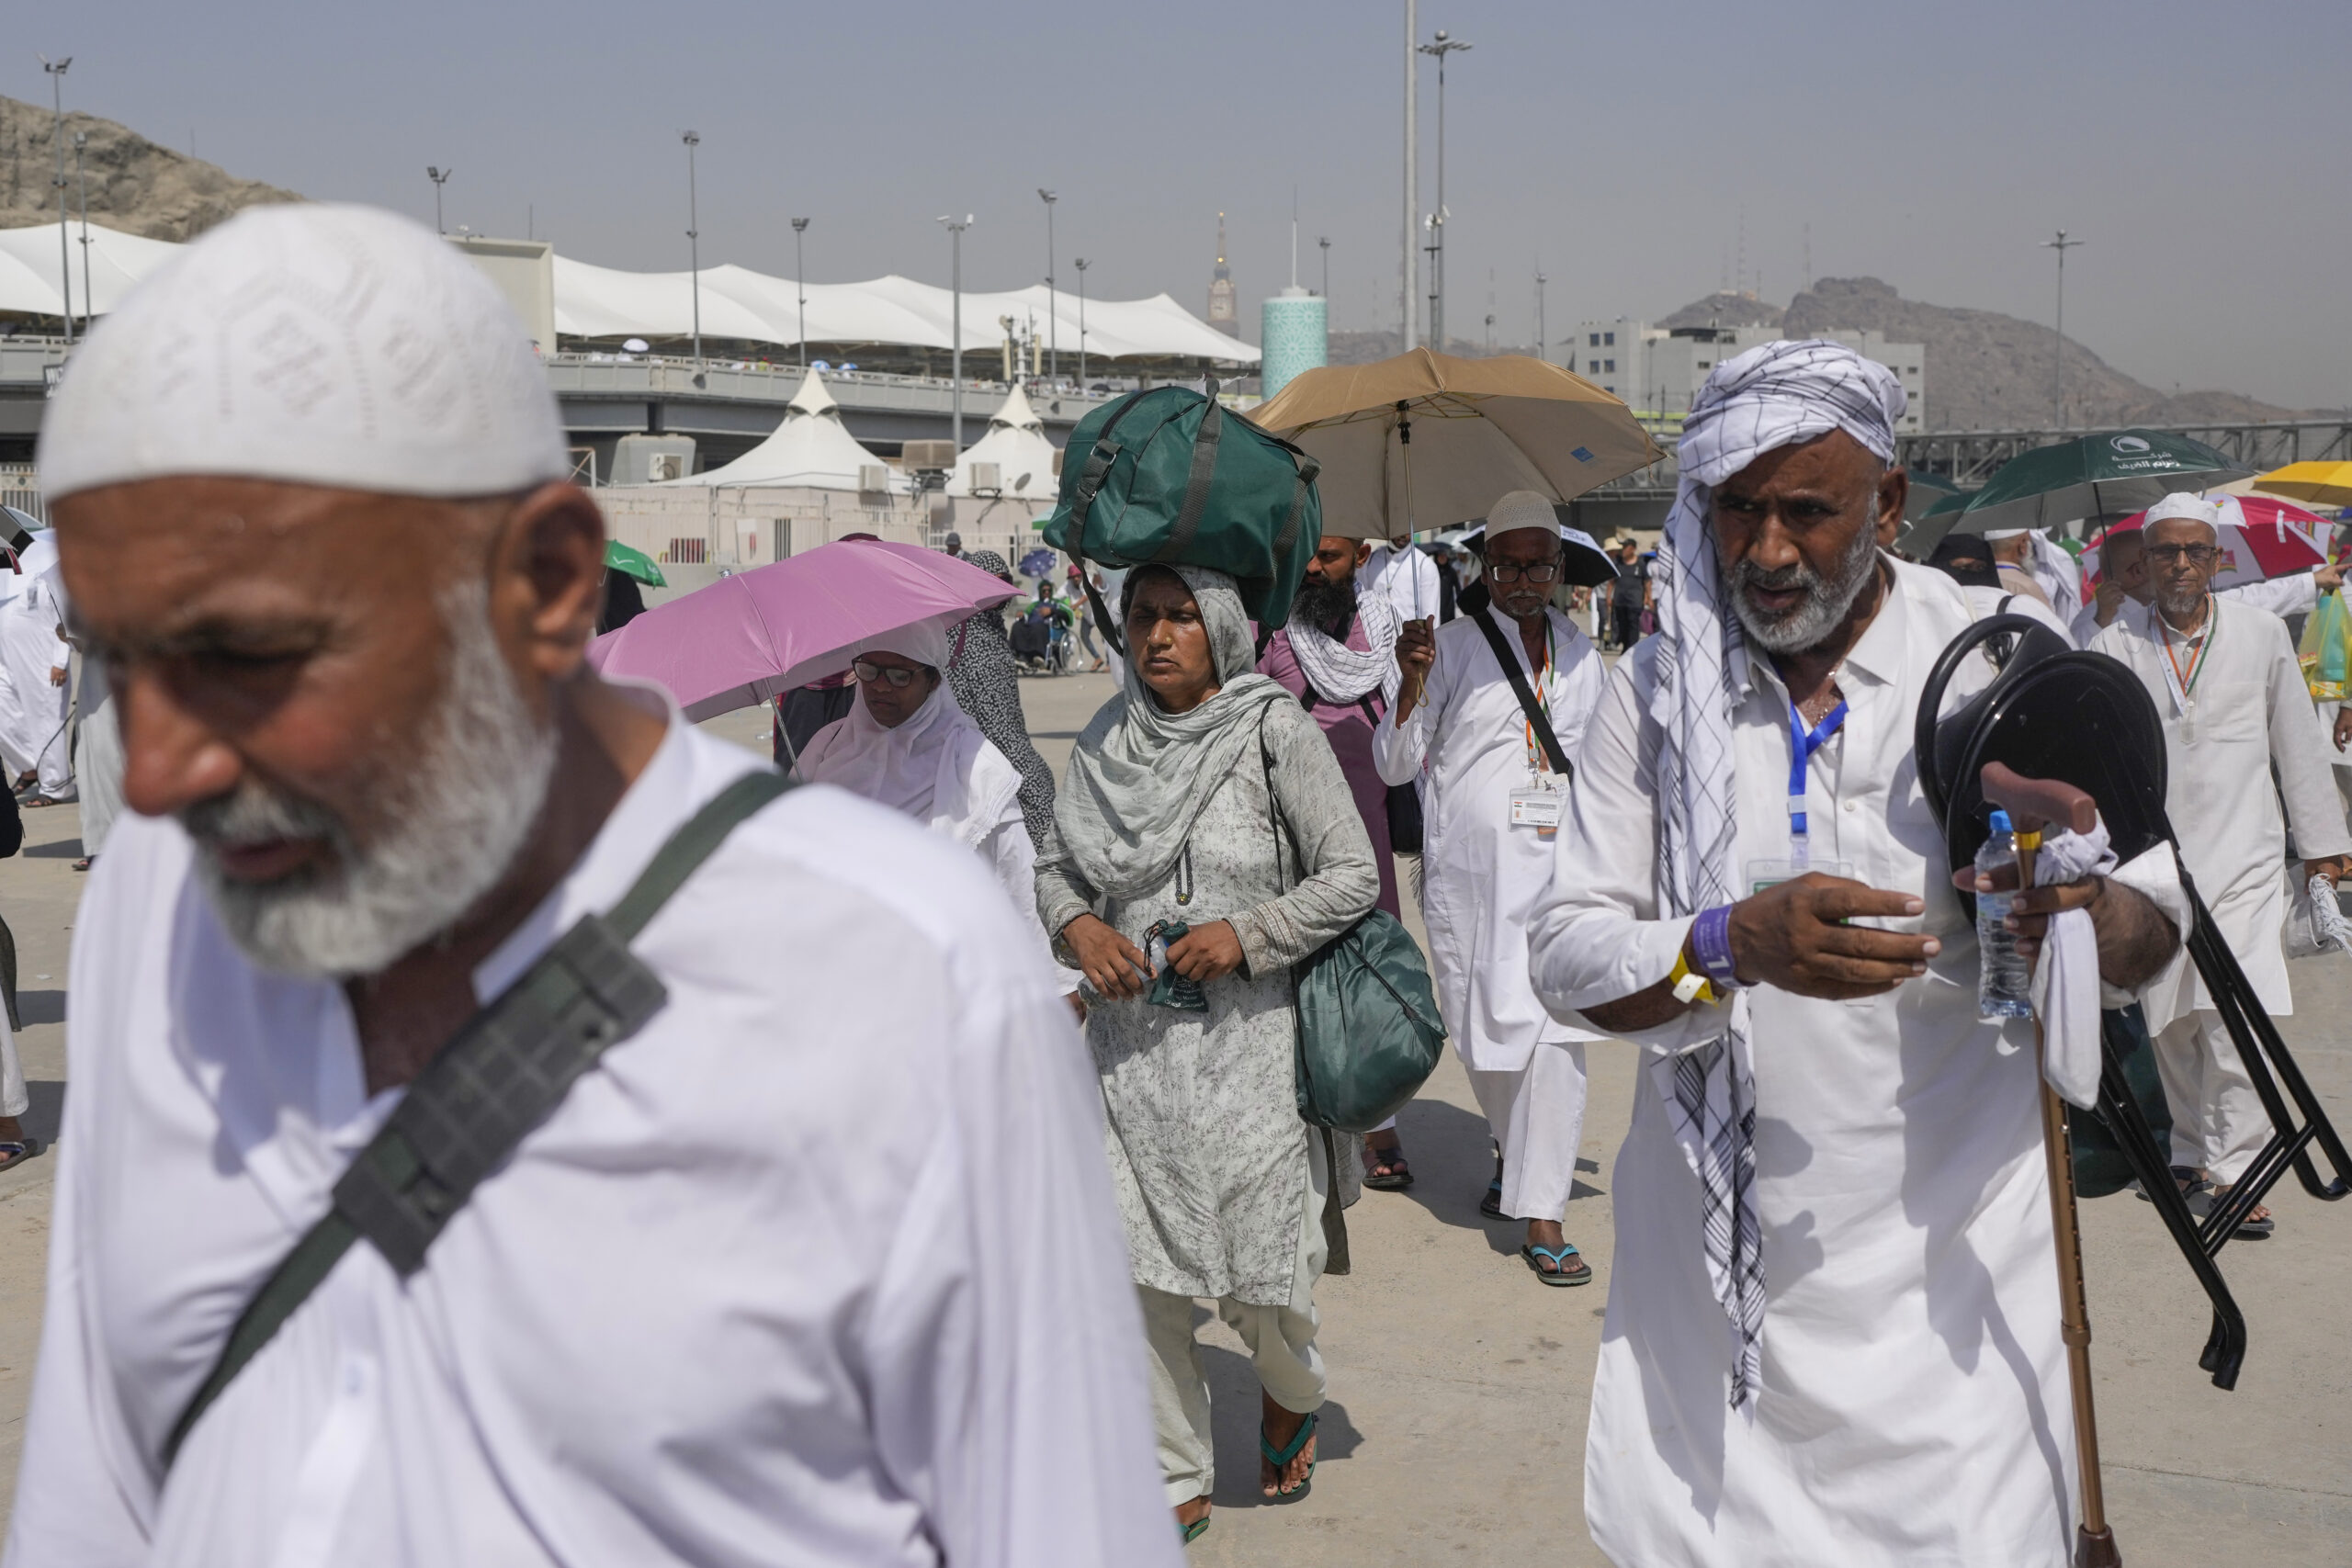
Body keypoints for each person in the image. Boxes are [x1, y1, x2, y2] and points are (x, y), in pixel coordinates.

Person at [6, 203, 1176, 1568]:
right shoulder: (159, 895)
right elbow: (97, 1473)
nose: (155, 770)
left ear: (548, 583)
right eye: (121, 658)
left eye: (248, 656)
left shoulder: (903, 978)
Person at [1525, 340, 2188, 1564]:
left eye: (1807, 511)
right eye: (1737, 508)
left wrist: (2080, 923)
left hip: (1952, 1295)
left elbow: (2157, 916)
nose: (1766, 551)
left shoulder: (2003, 659)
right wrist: (1727, 943)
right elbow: (1565, 954)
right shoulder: (1659, 692)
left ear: (1889, 504)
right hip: (1715, 1293)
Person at [1038, 563, 1378, 1545]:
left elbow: (1352, 873)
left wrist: (1246, 934)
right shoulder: (1106, 738)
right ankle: (1174, 1471)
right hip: (1132, 1057)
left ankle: (1290, 1392)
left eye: (1179, 617)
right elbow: (1058, 866)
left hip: (1252, 1053)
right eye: (1142, 616)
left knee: (1267, 1286)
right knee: (1137, 1281)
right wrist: (1079, 930)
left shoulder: (1273, 728)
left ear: (1219, 627)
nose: (1156, 635)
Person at [2090, 493, 2352, 1237]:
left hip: (2245, 859)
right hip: (2153, 863)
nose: (2179, 564)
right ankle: (2189, 1149)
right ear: (2145, 561)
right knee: (2170, 1018)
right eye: (2165, 551)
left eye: (2194, 551)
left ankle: (2238, 1173)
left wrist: (2323, 860)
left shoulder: (2263, 633)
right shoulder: (2116, 645)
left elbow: (2298, 744)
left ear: (2217, 560)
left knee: (2238, 1014)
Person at [1374, 491, 1606, 1284]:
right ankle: (1514, 1150)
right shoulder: (1446, 648)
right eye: (1505, 563)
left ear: (1561, 569)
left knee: (1555, 1038)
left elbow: (1607, 770)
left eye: (1537, 563)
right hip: (1470, 887)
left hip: (1562, 882)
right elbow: (1394, 764)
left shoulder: (1582, 657)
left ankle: (1543, 1214)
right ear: (1483, 566)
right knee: (1486, 1035)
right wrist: (1407, 684)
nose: (1520, 579)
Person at [796, 621, 1080, 1005]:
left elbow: (1017, 881)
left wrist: (1060, 986)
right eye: (869, 670)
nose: (880, 685)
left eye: (900, 675)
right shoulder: (825, 751)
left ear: (932, 681)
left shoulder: (974, 766)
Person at [1257, 531, 1412, 1188]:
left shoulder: (1394, 640)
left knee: (1371, 978)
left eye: (1333, 556)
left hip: (1369, 838)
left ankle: (1379, 1125)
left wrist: (1419, 672)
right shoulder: (1274, 638)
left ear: (1362, 561)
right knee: (1291, 981)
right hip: (1290, 839)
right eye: (1310, 557)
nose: (1316, 568)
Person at [942, 547, 1059, 851]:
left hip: (958, 754)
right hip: (982, 755)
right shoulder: (982, 642)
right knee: (1037, 791)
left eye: (1002, 583)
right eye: (989, 584)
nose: (998, 595)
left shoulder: (962, 628)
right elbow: (1000, 727)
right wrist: (1033, 776)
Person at [2071, 523, 2339, 646]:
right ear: (2141, 568)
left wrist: (2311, 581)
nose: (2179, 564)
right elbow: (2080, 658)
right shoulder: (2096, 619)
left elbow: (2247, 599)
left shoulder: (2177, 603)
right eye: (2164, 554)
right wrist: (2102, 619)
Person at [0, 536, 73, 805]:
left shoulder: (48, 562)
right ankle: (29, 767)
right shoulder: (5, 568)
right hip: (8, 659)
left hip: (44, 661)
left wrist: (60, 660)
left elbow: (65, 616)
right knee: (4, 717)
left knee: (45, 722)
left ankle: (55, 787)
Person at [1362, 531, 1442, 626]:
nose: (1403, 535)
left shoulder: (1424, 565)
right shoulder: (1371, 560)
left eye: (1406, 529)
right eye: (1399, 528)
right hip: (1374, 635)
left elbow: (1431, 617)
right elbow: (1363, 602)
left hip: (1409, 637)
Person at [1607, 536, 1650, 650]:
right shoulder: (1618, 563)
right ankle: (1626, 646)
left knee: (1633, 626)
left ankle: (1631, 648)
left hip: (1634, 602)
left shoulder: (1640, 564)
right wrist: (1608, 597)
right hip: (1620, 601)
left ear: (1633, 549)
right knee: (1622, 625)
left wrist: (1648, 597)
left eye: (1626, 547)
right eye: (1623, 547)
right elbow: (1611, 581)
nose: (1623, 550)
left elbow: (1647, 582)